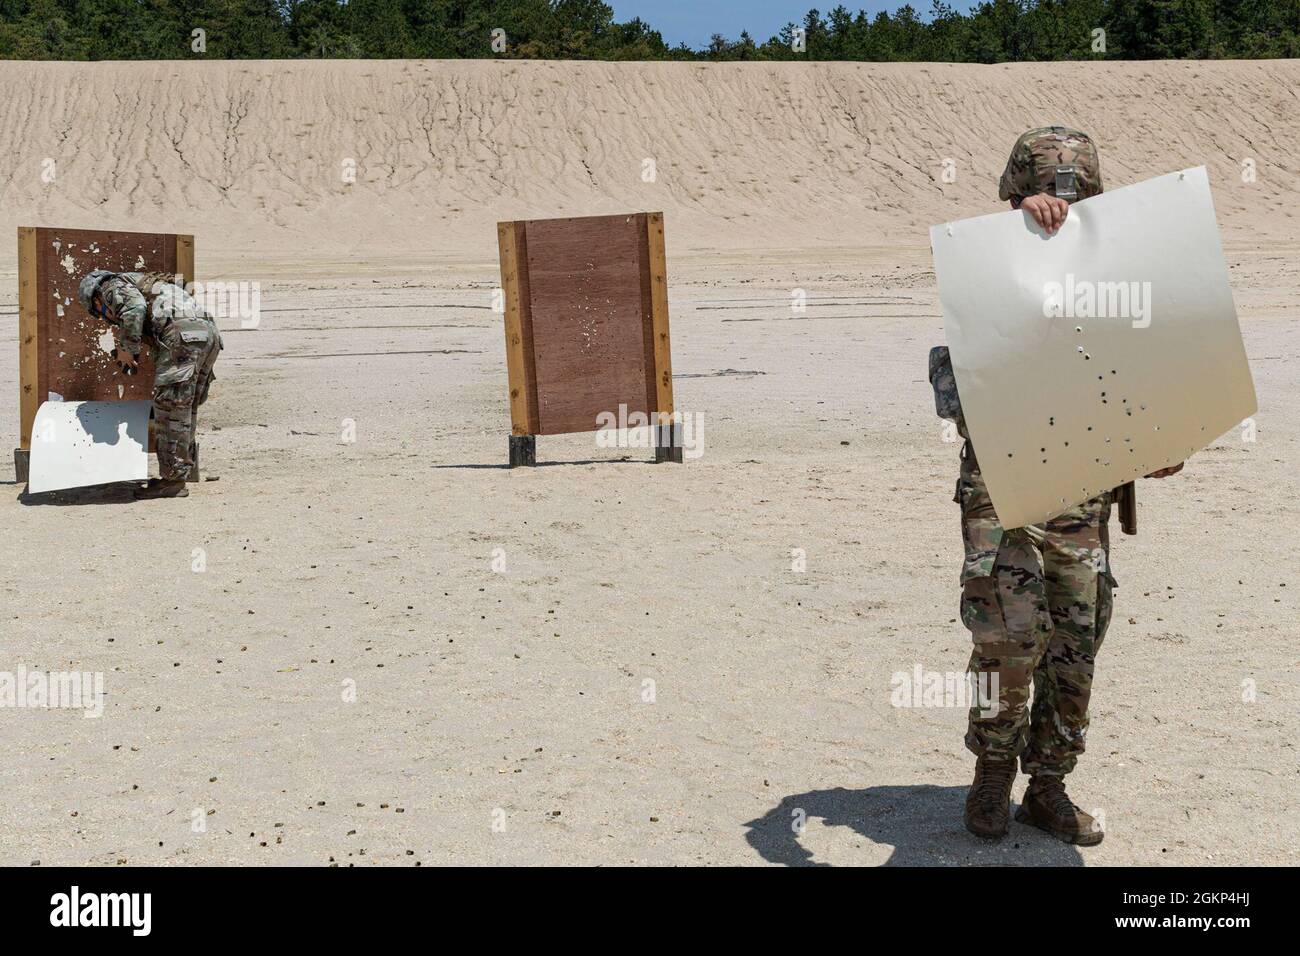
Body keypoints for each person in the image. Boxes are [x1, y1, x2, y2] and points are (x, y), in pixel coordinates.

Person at [931, 127, 1183, 846]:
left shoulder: (1117, 278)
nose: (1058, 208)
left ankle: (1049, 785)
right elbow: (959, 377)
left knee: (1077, 637)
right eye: (1045, 192)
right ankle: (992, 773)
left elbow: (1136, 379)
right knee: (1009, 636)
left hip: (1084, 491)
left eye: (1076, 195)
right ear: (1015, 193)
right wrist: (1019, 235)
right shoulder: (986, 263)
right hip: (1004, 489)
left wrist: (1159, 448)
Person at [77, 270, 222, 499]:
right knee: (185, 407)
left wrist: (128, 349)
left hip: (182, 335)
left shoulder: (109, 287)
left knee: (170, 407)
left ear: (96, 300)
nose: (105, 317)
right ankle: (179, 473)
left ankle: (172, 481)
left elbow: (134, 309)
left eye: (99, 312)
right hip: (208, 333)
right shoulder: (148, 285)